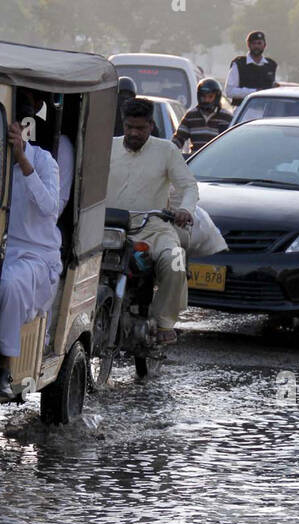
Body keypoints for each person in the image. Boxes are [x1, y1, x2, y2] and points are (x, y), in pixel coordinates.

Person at [0, 90, 64, 397]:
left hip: (36, 255)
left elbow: (49, 208)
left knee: (9, 284)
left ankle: (3, 367)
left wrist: (22, 161)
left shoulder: (44, 162)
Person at [107, 98, 197, 346]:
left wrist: (185, 209)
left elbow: (188, 186)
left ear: (151, 126)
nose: (134, 133)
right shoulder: (107, 147)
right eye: (129, 127)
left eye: (140, 128)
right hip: (110, 229)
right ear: (123, 125)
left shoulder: (166, 150)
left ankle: (165, 321)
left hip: (153, 227)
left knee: (176, 260)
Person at [173, 78, 232, 153]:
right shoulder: (191, 116)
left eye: (210, 97)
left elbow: (232, 142)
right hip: (195, 161)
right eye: (204, 97)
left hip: (218, 160)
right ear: (199, 97)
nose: (206, 100)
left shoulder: (226, 117)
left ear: (217, 97)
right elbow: (178, 139)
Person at [225, 31, 278, 105]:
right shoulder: (239, 64)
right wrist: (254, 92)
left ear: (264, 45)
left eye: (259, 43)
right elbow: (229, 91)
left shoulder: (271, 65)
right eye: (253, 43)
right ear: (248, 45)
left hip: (266, 111)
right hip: (243, 110)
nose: (256, 46)